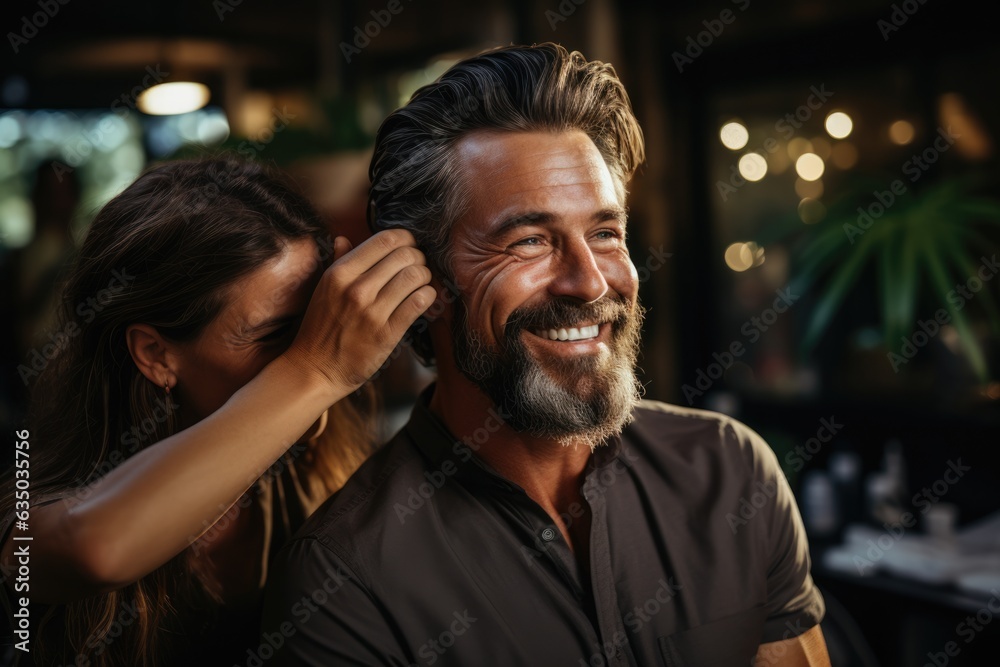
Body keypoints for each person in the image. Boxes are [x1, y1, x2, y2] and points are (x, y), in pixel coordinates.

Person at [261, 43, 830, 666]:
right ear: (419, 283)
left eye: (605, 234)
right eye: (529, 241)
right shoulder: (344, 582)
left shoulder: (731, 473)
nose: (588, 282)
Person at [0, 157, 435, 666]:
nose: (319, 342)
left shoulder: (316, 473)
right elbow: (95, 548)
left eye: (318, 320)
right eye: (275, 335)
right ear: (156, 354)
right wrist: (316, 371)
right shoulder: (26, 507)